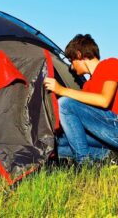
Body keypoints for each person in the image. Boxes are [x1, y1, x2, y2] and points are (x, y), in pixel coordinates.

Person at [44, 34, 118, 164]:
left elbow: (104, 100)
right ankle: (109, 156)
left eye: (71, 61)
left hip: (114, 128)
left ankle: (84, 163)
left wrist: (62, 90)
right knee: (56, 143)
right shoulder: (87, 86)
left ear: (79, 55)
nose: (71, 67)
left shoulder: (110, 64)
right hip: (103, 136)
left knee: (65, 103)